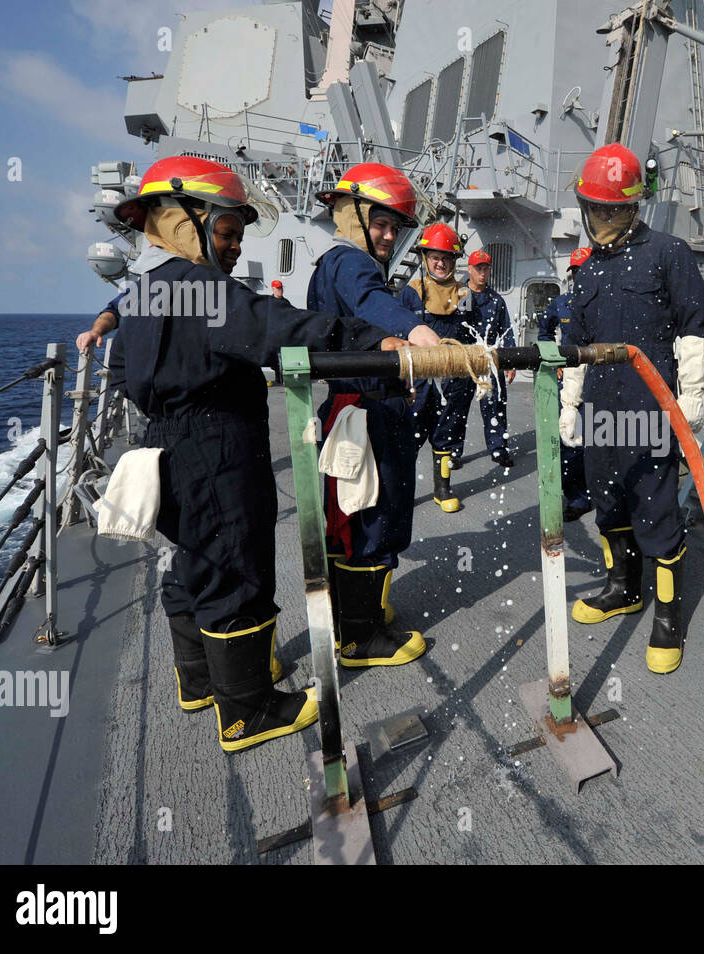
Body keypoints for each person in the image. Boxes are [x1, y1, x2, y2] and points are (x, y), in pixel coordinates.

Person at [109, 155, 409, 753]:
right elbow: (282, 327)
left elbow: (121, 371)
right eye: (225, 233)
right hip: (218, 449)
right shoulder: (206, 293)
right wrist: (371, 337)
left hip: (161, 443)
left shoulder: (139, 296)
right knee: (235, 568)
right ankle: (246, 710)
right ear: (182, 220)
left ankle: (199, 682)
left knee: (191, 563)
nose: (232, 248)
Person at [558, 143, 704, 675]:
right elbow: (573, 345)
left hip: (650, 412)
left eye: (613, 209)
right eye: (596, 209)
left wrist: (689, 401)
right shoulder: (585, 272)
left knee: (658, 512)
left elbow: (695, 327)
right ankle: (622, 588)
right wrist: (570, 406)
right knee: (609, 505)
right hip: (601, 413)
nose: (603, 219)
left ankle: (668, 618)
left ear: (633, 207)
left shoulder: (670, 253)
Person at [310, 162, 440, 667]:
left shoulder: (325, 268)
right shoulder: (355, 265)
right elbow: (369, 299)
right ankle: (364, 638)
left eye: (394, 227)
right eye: (380, 223)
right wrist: (419, 333)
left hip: (343, 409)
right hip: (371, 413)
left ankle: (349, 622)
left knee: (347, 516)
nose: (388, 236)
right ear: (351, 215)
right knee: (378, 518)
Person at [397, 222, 477, 512]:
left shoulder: (465, 295)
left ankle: (442, 490)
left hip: (452, 379)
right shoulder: (411, 292)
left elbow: (470, 334)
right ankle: (402, 491)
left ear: (454, 261)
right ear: (425, 258)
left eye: (446, 257)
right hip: (418, 378)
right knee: (410, 434)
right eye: (434, 257)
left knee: (446, 433)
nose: (440, 262)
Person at [540, 247, 592, 521]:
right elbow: (544, 331)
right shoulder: (561, 303)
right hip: (571, 384)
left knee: (604, 440)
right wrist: (554, 360)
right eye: (578, 272)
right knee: (570, 439)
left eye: (586, 270)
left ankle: (601, 493)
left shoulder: (605, 303)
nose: (582, 276)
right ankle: (577, 499)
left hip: (599, 380)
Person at [458, 248, 516, 468]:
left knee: (495, 406)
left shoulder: (496, 300)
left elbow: (506, 331)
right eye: (478, 268)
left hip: (490, 359)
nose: (482, 273)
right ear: (470, 269)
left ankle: (498, 448)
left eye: (486, 269)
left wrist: (510, 362)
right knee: (458, 406)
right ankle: (453, 450)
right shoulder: (462, 295)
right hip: (464, 359)